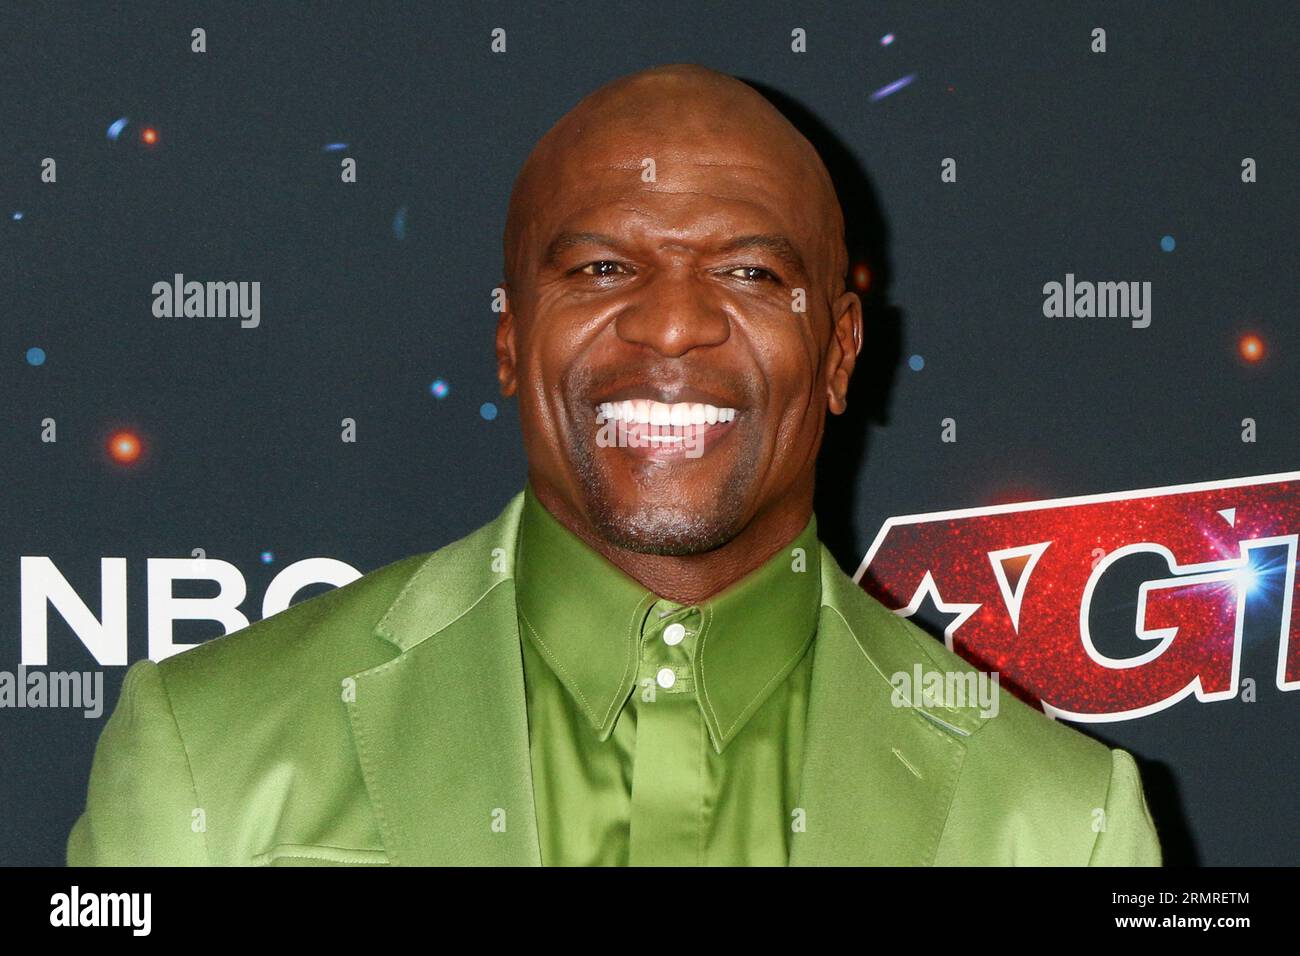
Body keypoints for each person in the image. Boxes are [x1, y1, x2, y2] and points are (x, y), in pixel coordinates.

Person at [67, 63, 1161, 866]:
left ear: (837, 353)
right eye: (598, 266)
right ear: (507, 341)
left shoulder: (1060, 822)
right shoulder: (207, 746)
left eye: (743, 271)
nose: (671, 325)